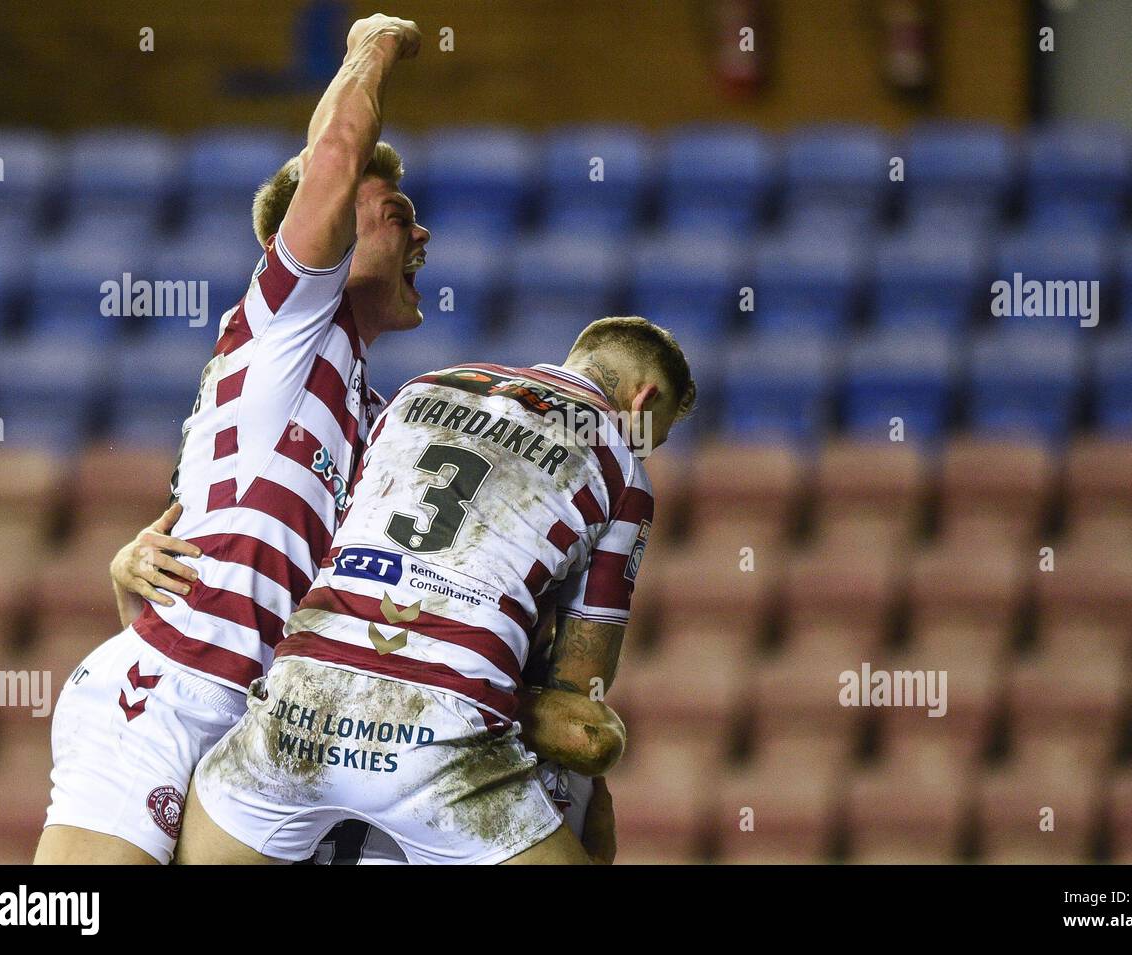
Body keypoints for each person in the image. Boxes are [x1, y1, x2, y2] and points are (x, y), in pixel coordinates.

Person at [36, 12, 434, 864]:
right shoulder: (290, 317)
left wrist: (128, 578)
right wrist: (373, 46)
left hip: (262, 732)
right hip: (169, 691)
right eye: (394, 210)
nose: (420, 233)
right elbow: (331, 158)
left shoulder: (372, 414)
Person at [176, 317, 696, 864]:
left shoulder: (422, 388)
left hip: (298, 704)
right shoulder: (621, 463)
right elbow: (579, 691)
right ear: (645, 399)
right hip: (443, 731)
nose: (647, 451)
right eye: (653, 436)